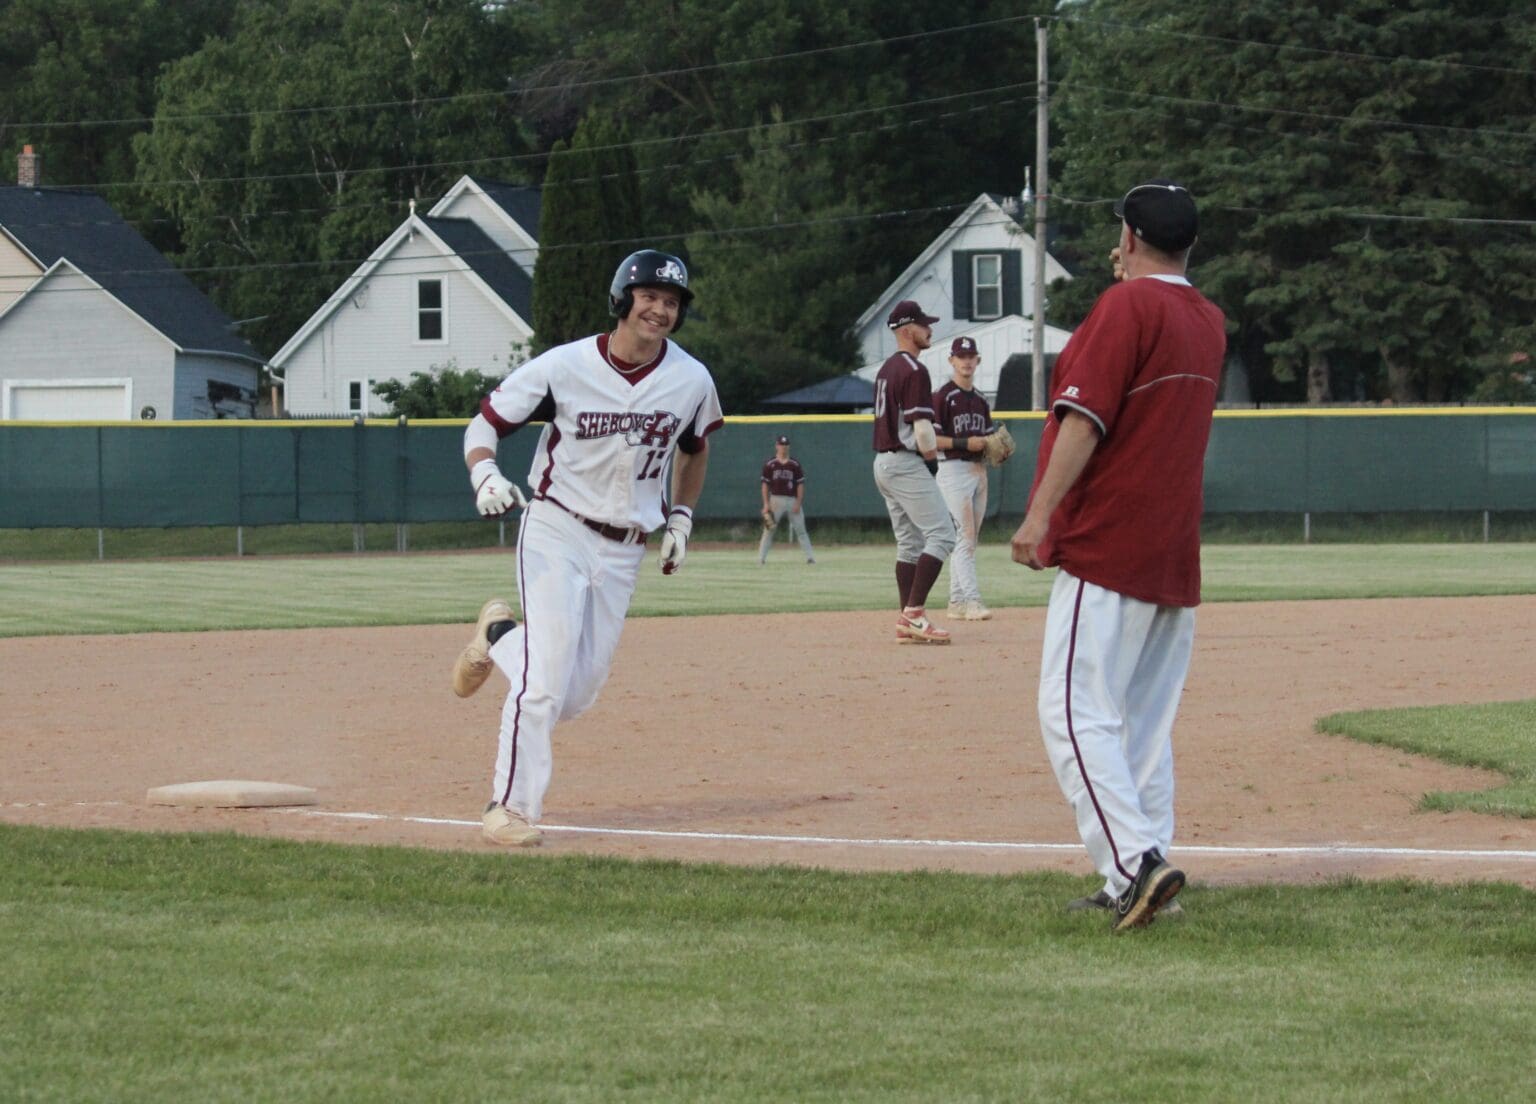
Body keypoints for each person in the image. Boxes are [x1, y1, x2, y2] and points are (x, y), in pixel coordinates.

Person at [451, 249, 723, 847]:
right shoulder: (565, 366)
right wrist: (485, 474)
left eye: (672, 302)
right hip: (557, 528)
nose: (660, 309)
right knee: (542, 687)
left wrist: (681, 517)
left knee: (574, 696)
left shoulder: (690, 379)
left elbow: (696, 447)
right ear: (623, 298)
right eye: (649, 296)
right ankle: (509, 808)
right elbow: (484, 424)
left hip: (626, 547)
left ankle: (499, 639)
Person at [1011, 180, 1226, 931]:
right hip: (1172, 549)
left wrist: (1039, 517)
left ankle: (1133, 866)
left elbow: (1085, 420)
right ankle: (1138, 866)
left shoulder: (1128, 305)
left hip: (1111, 544)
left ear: (1130, 237)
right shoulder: (1207, 317)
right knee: (1139, 724)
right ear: (1189, 244)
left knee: (1073, 714)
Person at [872, 299, 957, 643]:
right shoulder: (914, 369)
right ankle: (914, 614)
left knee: (909, 544)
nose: (929, 329)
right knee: (944, 534)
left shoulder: (886, 368)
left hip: (883, 462)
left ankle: (906, 617)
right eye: (923, 325)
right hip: (906, 461)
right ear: (907, 331)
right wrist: (933, 461)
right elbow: (922, 428)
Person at [932, 335, 995, 621]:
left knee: (969, 539)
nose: (966, 361)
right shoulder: (943, 396)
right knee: (964, 537)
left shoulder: (981, 400)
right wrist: (963, 443)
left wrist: (995, 448)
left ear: (977, 360)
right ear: (952, 361)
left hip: (978, 470)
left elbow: (987, 438)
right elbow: (930, 439)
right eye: (961, 357)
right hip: (953, 470)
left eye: (971, 357)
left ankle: (956, 602)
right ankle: (972, 601)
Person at [758, 434, 815, 564]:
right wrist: (766, 504)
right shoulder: (770, 464)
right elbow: (765, 485)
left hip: (792, 499)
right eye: (781, 445)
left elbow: (800, 484)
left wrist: (798, 502)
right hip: (775, 500)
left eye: (786, 445)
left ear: (788, 447)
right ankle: (761, 559)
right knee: (769, 530)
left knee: (801, 530)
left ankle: (810, 557)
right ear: (776, 446)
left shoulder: (794, 464)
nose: (783, 447)